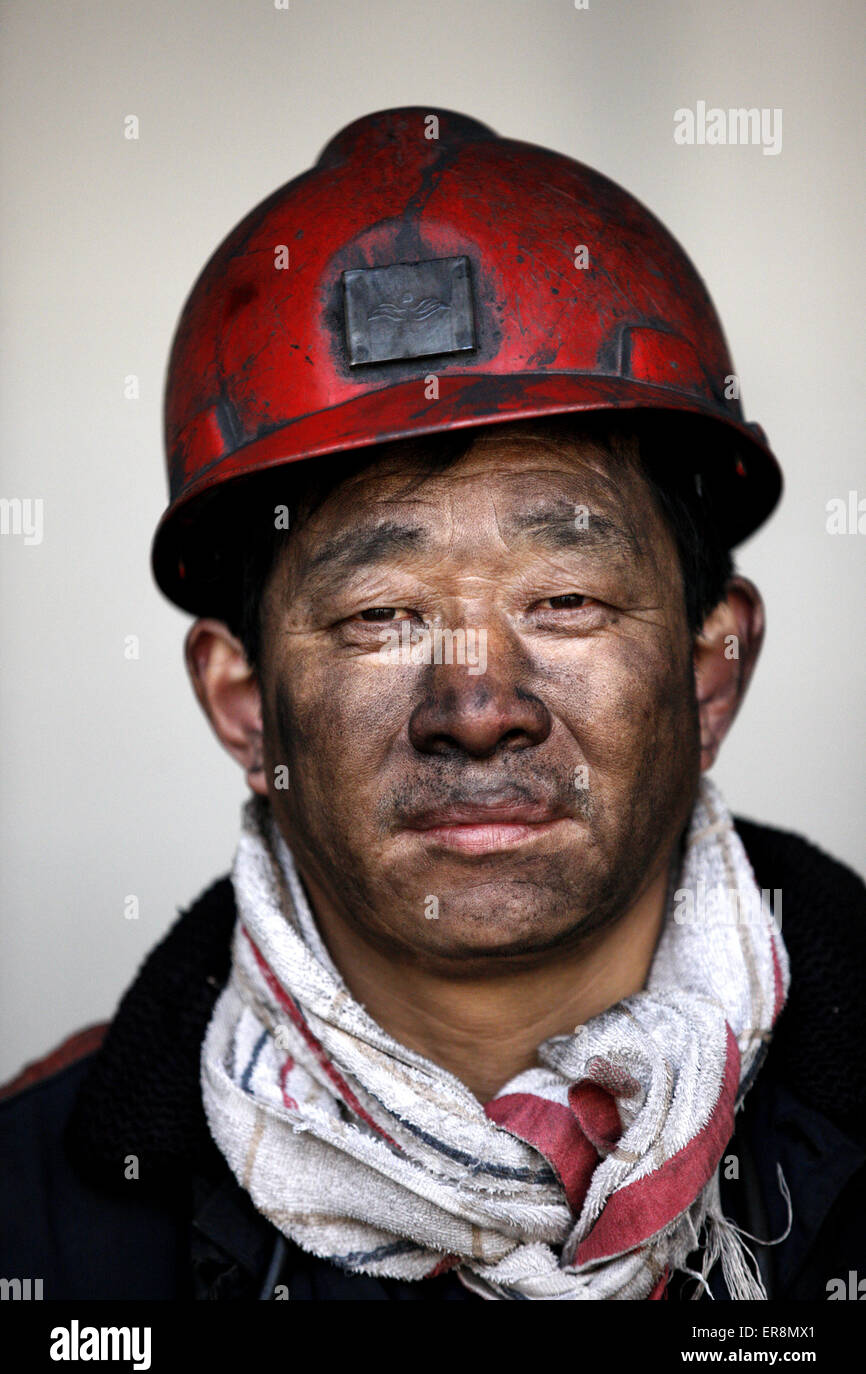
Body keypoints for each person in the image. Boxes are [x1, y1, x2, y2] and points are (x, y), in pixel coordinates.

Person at [1, 108, 863, 1302]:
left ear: (709, 669)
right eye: (378, 616)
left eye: (564, 598)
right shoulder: (38, 1212)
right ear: (244, 704)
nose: (475, 706)